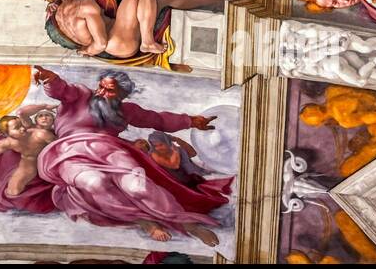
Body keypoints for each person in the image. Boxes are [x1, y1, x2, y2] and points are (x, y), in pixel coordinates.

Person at [28, 67, 230, 245]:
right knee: (95, 183)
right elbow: (61, 90)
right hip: (70, 153)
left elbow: (157, 119)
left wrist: (191, 121)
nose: (100, 92)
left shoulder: (125, 111)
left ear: (121, 95)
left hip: (109, 150)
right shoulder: (81, 95)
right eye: (100, 86)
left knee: (137, 185)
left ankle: (188, 224)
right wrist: (50, 79)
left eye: (109, 91)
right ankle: (145, 222)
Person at [42, 0, 221, 65]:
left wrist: (85, 50)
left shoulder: (59, 13)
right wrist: (89, 51)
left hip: (118, 36)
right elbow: (101, 43)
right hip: (119, 41)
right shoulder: (85, 5)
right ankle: (148, 42)